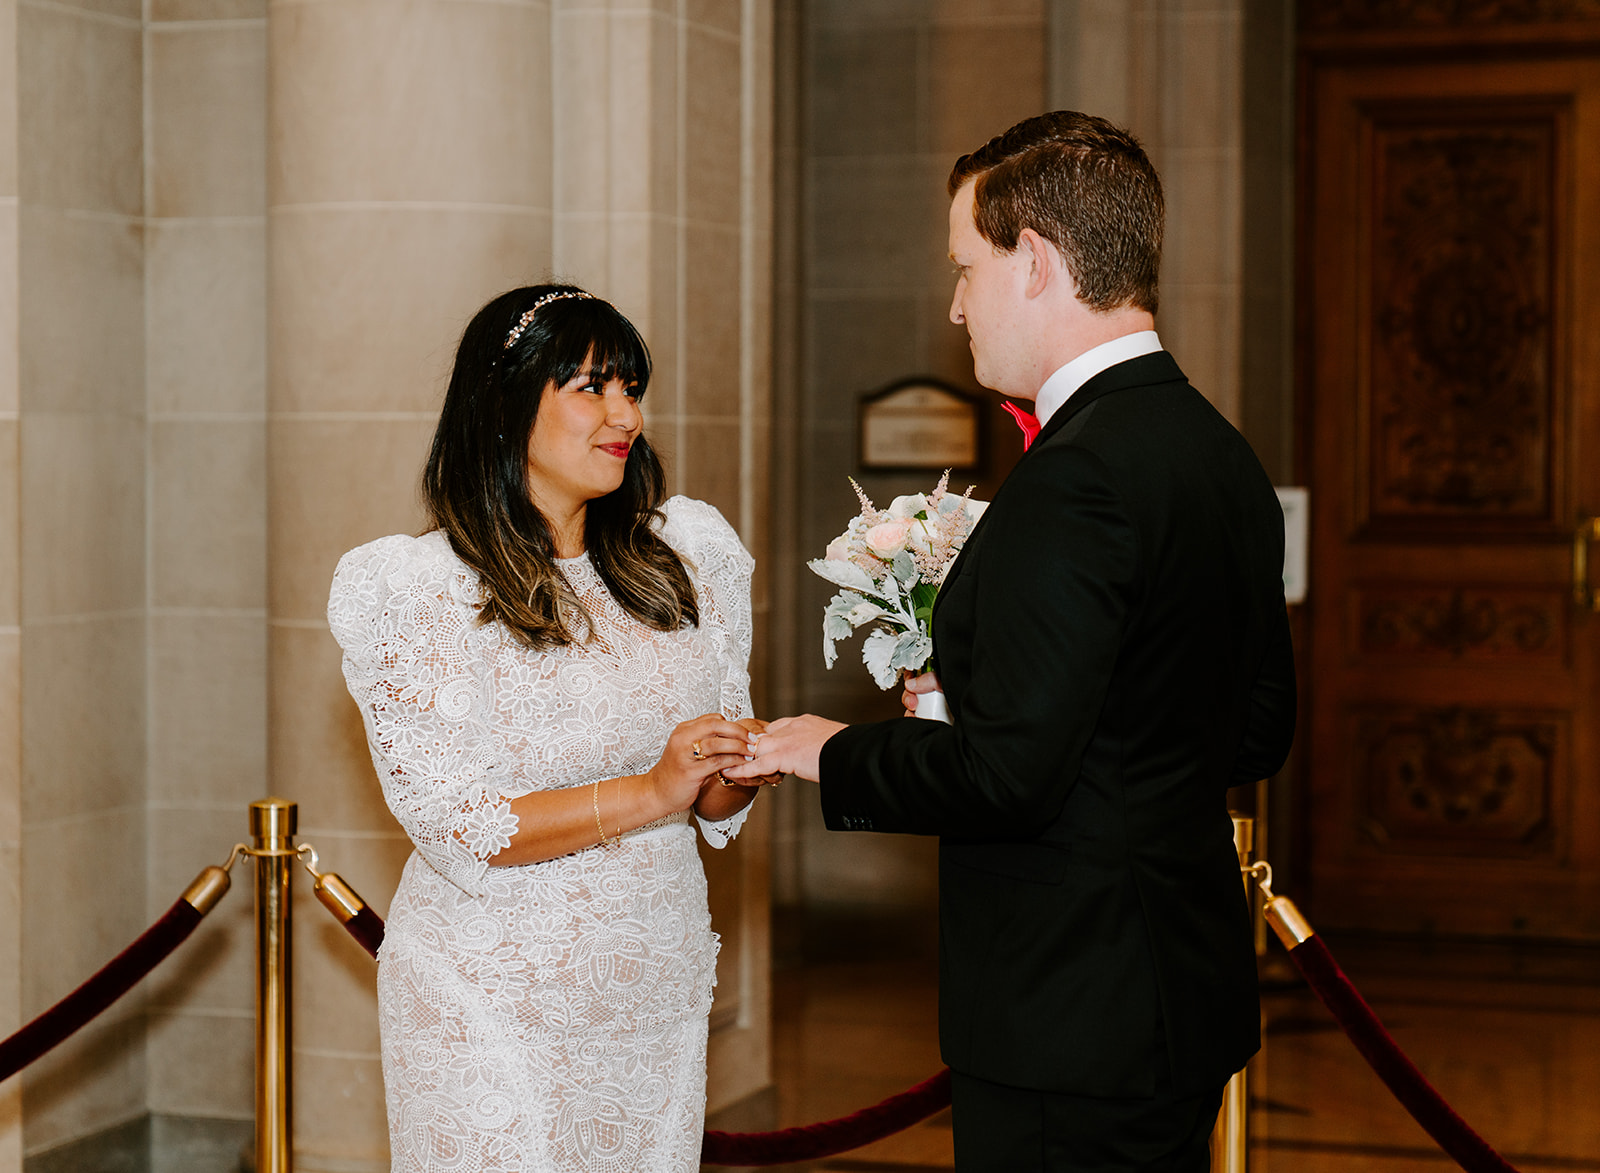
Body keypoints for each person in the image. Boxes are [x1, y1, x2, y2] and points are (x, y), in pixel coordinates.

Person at [727, 112, 1297, 1171]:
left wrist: (824, 749)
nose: (954, 306)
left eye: (964, 268)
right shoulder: (1217, 452)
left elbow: (1012, 779)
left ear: (1032, 261)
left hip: (1067, 1015)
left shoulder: (1076, 476)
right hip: (1176, 992)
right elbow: (1257, 727)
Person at [328, 284, 769, 1173]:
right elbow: (464, 823)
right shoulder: (418, 592)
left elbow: (713, 802)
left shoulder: (685, 561)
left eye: (633, 388)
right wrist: (651, 789)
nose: (626, 415)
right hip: (489, 998)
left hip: (652, 993)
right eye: (592, 387)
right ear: (505, 406)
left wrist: (738, 764)